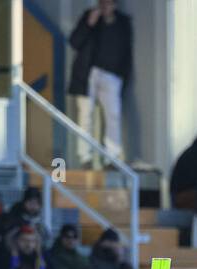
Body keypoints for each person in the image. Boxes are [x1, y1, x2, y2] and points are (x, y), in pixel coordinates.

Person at [68, 0, 132, 167]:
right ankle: (85, 157)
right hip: (89, 73)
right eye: (102, 3)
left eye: (109, 4)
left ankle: (112, 157)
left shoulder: (123, 22)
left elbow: (127, 52)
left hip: (112, 75)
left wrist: (124, 77)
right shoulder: (90, 17)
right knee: (85, 114)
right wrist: (89, 23)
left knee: (113, 114)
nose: (105, 7)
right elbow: (74, 42)